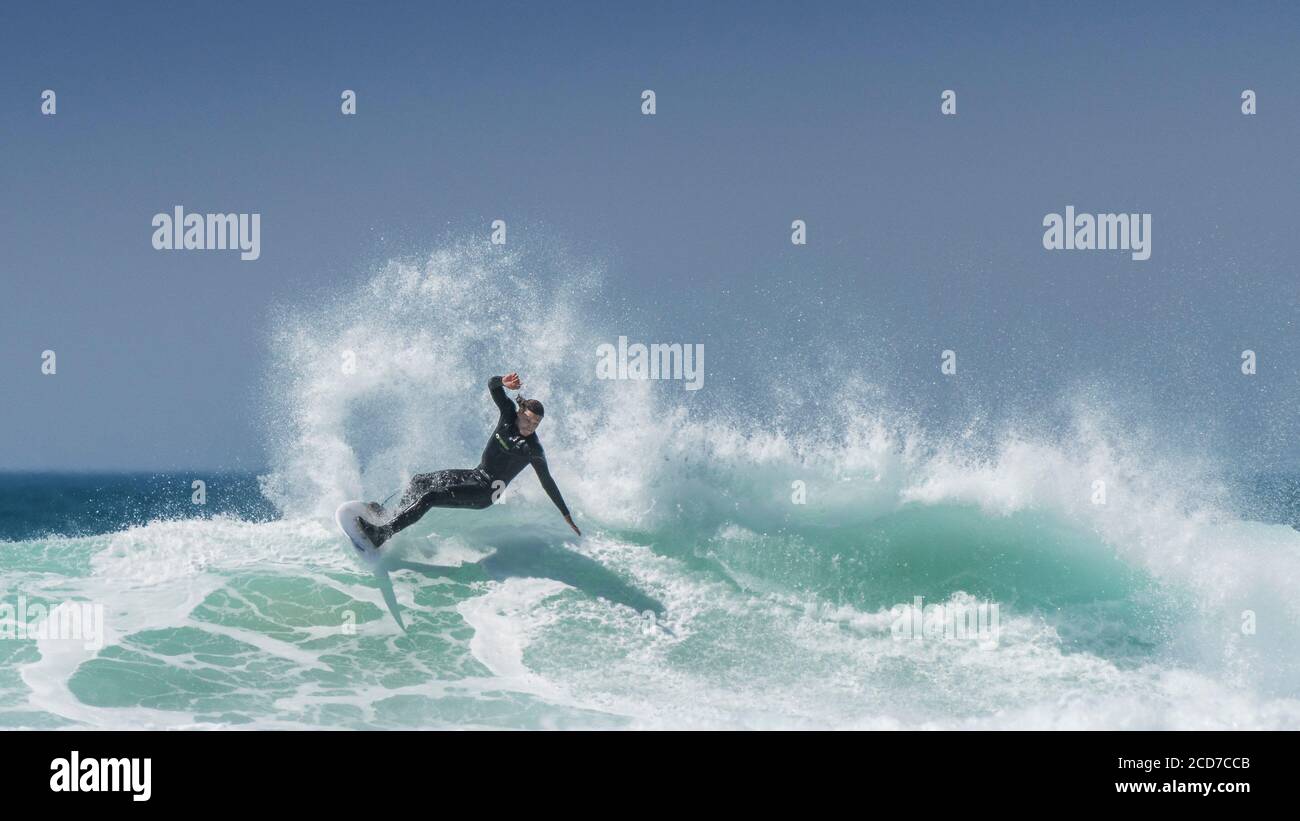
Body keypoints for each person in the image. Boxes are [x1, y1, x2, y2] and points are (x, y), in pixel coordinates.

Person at [355, 372, 580, 548]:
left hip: (488, 492)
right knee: (419, 481)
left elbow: (547, 481)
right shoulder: (508, 413)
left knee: (430, 497)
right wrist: (502, 380)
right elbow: (492, 385)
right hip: (475, 474)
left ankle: (382, 534)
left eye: (536, 424)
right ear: (520, 411)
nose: (531, 427)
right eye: (529, 421)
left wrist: (565, 514)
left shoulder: (532, 449)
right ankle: (389, 517)